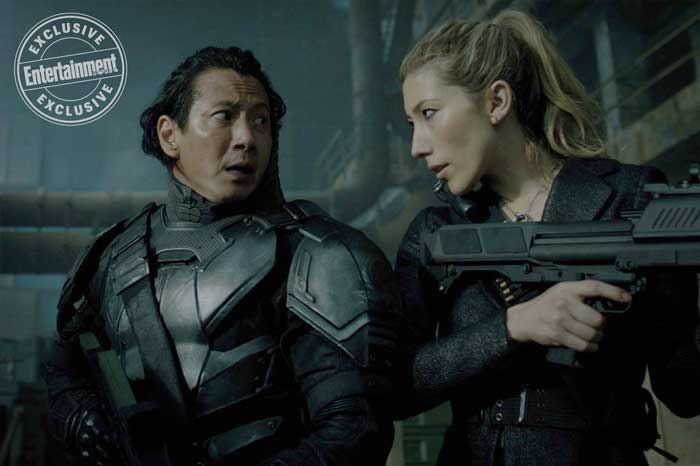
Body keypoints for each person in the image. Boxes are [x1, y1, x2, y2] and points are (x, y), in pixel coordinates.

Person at [44, 46, 400, 466]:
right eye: (224, 116)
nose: (247, 138)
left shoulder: (316, 251)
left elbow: (353, 429)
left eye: (260, 120)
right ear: (169, 135)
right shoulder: (113, 254)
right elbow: (66, 365)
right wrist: (80, 416)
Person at [395, 10, 700, 466]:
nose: (417, 145)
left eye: (429, 114)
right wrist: (513, 327)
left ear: (497, 101)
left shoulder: (630, 198)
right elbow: (393, 387)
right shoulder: (435, 234)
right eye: (412, 123)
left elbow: (685, 391)